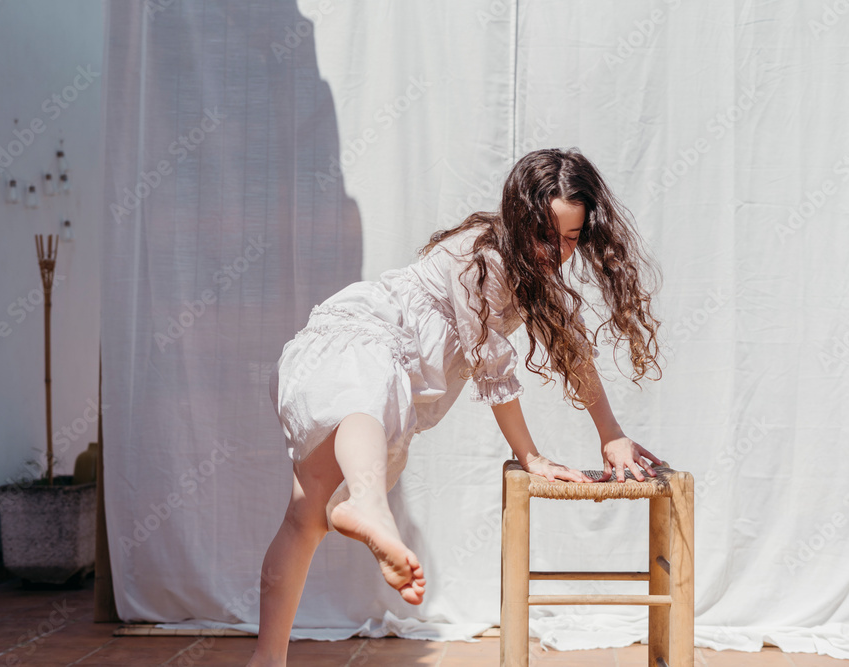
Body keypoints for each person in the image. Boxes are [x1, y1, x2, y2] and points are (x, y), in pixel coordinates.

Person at [248, 147, 664, 667]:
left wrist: (611, 432)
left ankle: (267, 658)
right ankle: (368, 504)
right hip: (365, 332)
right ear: (518, 217)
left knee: (303, 520)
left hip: (380, 370)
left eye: (571, 240)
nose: (556, 252)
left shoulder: (534, 271)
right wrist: (530, 456)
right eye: (545, 235)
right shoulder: (482, 257)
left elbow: (572, 351)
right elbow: (492, 369)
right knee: (362, 401)